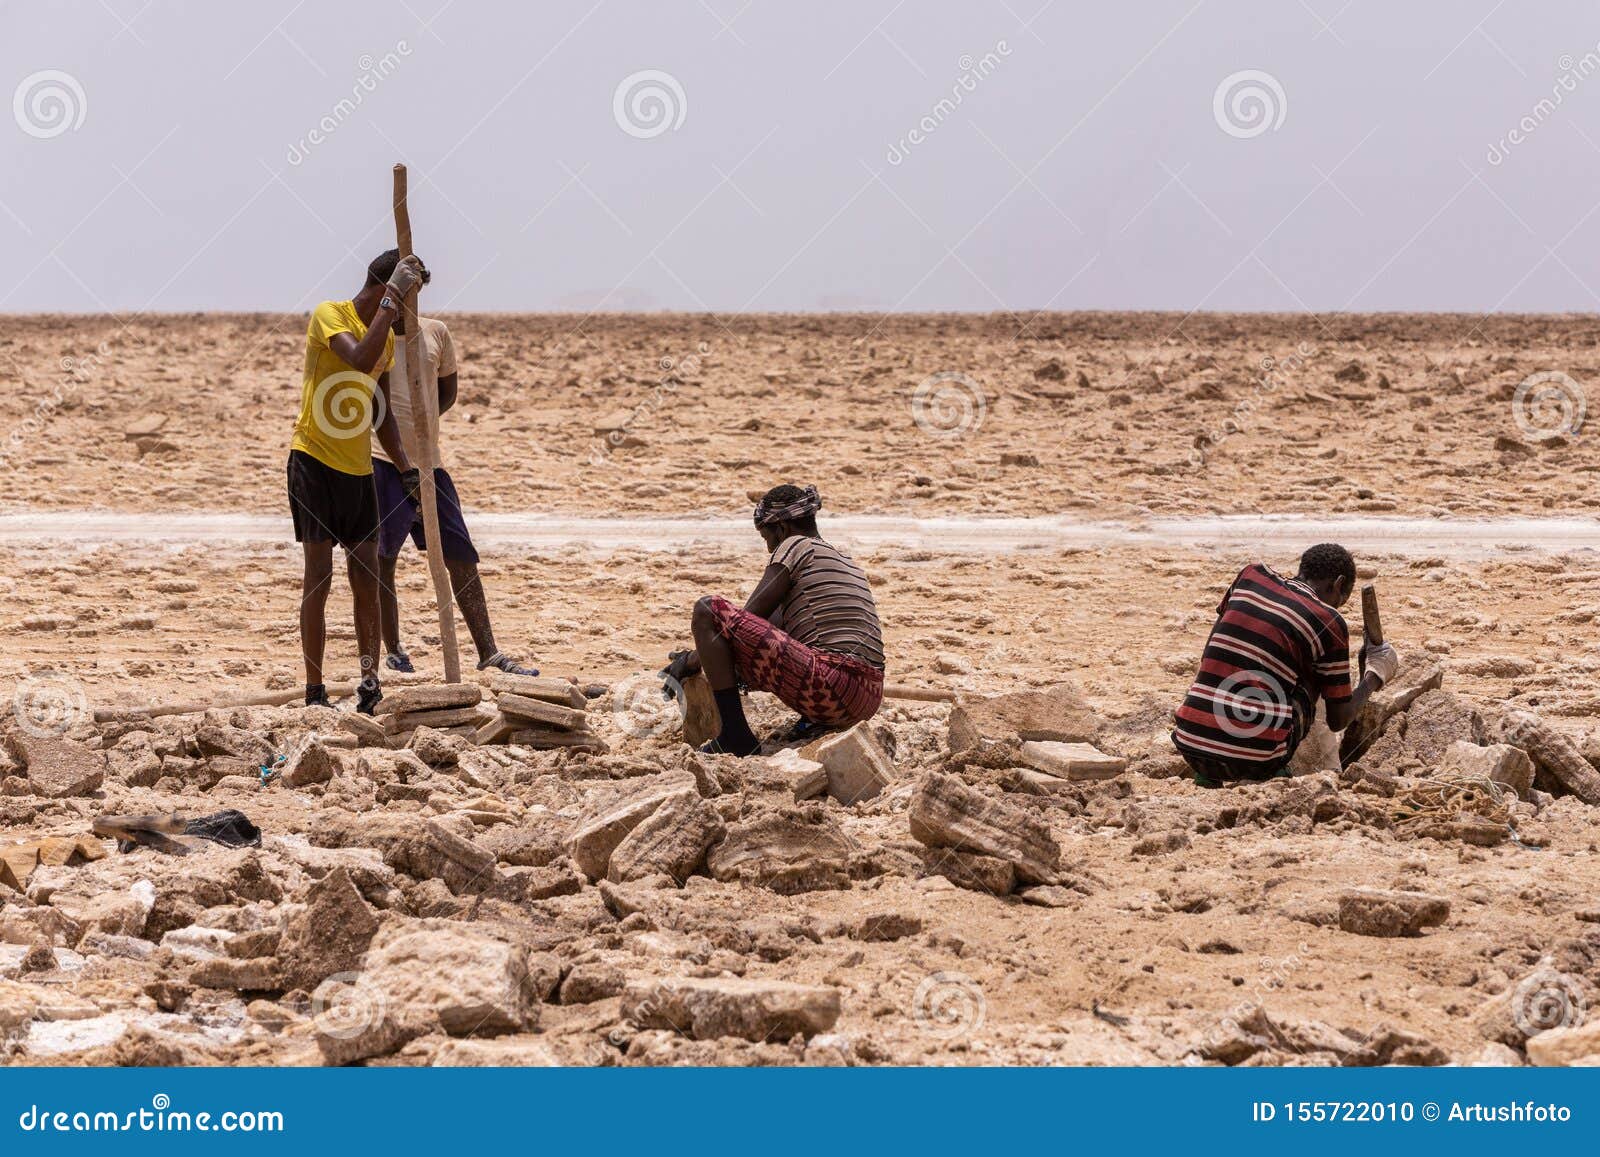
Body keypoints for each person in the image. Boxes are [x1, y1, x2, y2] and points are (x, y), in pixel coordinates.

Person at [286, 249, 426, 713]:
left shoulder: (386, 340)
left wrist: (404, 465)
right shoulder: (331, 315)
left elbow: (378, 411)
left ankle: (369, 683)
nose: (412, 312)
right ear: (384, 286)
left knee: (366, 578)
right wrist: (391, 300)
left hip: (358, 469)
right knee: (319, 577)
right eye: (411, 299)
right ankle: (314, 689)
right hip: (313, 464)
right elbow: (359, 357)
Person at [370, 312, 538, 677]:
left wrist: (423, 422)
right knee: (383, 558)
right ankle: (394, 650)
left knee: (460, 553)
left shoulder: (436, 333)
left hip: (430, 463)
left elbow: (447, 394)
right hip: (381, 460)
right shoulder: (373, 335)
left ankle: (488, 652)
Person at [662, 484, 885, 756]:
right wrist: (709, 657)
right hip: (867, 699)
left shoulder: (795, 545)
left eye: (767, 537)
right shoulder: (844, 561)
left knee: (708, 611)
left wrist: (690, 661)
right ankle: (811, 722)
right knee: (739, 648)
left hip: (832, 688)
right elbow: (767, 628)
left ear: (781, 529)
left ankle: (735, 736)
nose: (768, 548)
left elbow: (738, 622)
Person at [1171, 543, 1399, 787]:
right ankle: (1277, 774)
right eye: (1341, 600)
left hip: (1190, 743)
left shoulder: (1250, 575)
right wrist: (1375, 673)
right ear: (1338, 584)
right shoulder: (1329, 620)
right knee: (1314, 676)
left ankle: (1207, 777)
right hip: (1256, 760)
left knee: (1231, 658)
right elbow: (1338, 719)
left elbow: (1213, 648)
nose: (1336, 607)